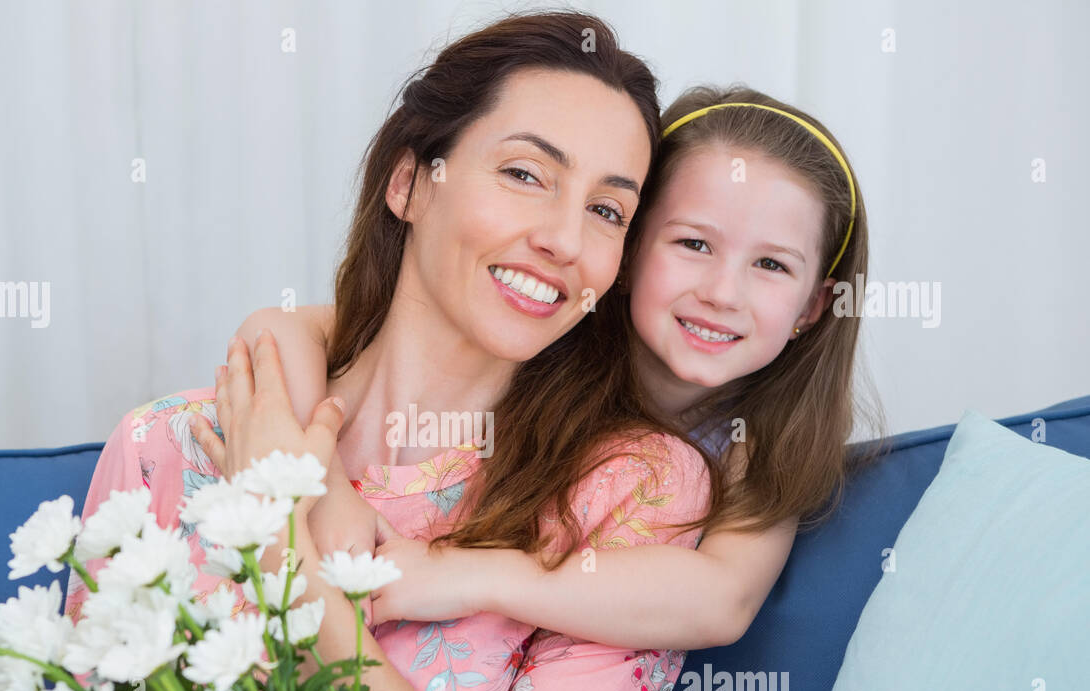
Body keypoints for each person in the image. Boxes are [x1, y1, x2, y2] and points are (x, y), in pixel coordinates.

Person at [19, 11, 711, 691]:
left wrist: (288, 566)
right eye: (527, 173)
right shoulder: (173, 444)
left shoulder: (632, 491)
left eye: (608, 210)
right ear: (411, 185)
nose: (566, 240)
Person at [237, 85, 889, 659]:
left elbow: (721, 601)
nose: (723, 292)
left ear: (811, 307)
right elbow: (283, 326)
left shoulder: (763, 443)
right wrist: (321, 483)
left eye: (771, 265)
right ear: (627, 249)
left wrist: (474, 576)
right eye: (693, 244)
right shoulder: (543, 329)